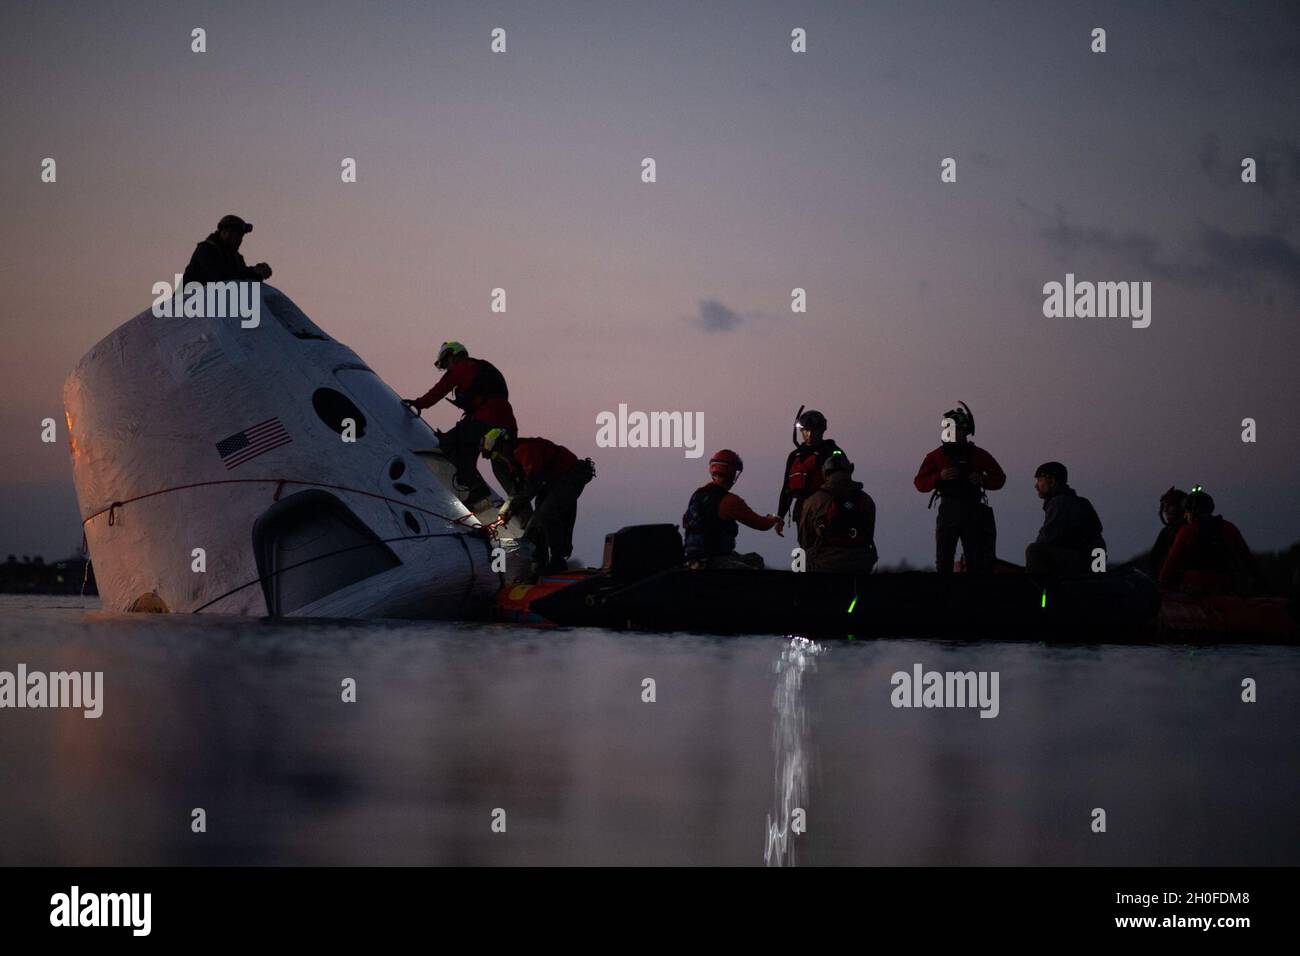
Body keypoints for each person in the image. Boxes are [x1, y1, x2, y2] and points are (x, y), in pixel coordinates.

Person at [404, 341, 518, 511]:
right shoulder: (484, 367)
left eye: (445, 363)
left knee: (449, 443)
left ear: (452, 355)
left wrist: (419, 404)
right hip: (507, 424)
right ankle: (523, 514)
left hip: (485, 419)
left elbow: (439, 389)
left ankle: (476, 489)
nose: (447, 368)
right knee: (504, 470)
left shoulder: (462, 367)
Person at [482, 430, 594, 582]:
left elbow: (532, 484)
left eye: (496, 454)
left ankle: (557, 561)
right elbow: (519, 489)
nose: (498, 458)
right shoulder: (514, 460)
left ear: (504, 444)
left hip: (571, 476)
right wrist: (506, 510)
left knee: (546, 513)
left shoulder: (525, 450)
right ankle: (540, 565)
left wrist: (512, 508)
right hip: (553, 482)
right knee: (536, 523)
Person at [913, 402, 1005, 573]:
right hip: (949, 508)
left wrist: (982, 480)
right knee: (944, 559)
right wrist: (939, 477)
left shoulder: (979, 455)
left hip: (973, 509)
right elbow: (919, 482)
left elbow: (1000, 478)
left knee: (975, 559)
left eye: (957, 430)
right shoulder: (936, 456)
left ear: (965, 431)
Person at [684, 450, 783, 569]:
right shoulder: (730, 501)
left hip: (693, 559)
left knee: (755, 559)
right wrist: (774, 519)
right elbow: (761, 524)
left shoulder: (697, 495)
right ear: (730, 472)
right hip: (713, 560)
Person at [1159, 488, 1259, 593]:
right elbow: (1247, 559)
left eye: (1186, 512)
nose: (1185, 516)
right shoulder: (1228, 527)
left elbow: (1170, 563)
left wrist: (1161, 584)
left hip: (1194, 588)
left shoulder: (1187, 531)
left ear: (1191, 512)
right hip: (1226, 587)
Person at [798, 451, 877, 573]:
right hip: (862, 564)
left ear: (824, 473)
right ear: (850, 470)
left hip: (825, 564)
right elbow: (869, 534)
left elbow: (805, 540)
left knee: (800, 559)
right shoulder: (866, 500)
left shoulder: (813, 501)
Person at [1024, 461, 1105, 575]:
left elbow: (1047, 537)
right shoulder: (1081, 501)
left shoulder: (1059, 502)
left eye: (1039, 480)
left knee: (1034, 551)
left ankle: (1038, 590)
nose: (1036, 486)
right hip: (1096, 561)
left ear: (1052, 481)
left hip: (1087, 561)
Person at [777, 410, 843, 525]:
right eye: (806, 430)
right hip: (802, 512)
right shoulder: (795, 456)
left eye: (815, 430)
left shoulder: (831, 452)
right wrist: (780, 517)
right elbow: (786, 489)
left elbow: (843, 483)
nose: (810, 434)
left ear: (822, 430)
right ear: (801, 431)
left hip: (826, 511)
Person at [182, 215, 272, 285]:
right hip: (186, 303)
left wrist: (257, 273)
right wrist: (251, 272)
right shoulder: (205, 250)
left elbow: (242, 276)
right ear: (224, 233)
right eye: (236, 235)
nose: (239, 239)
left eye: (240, 236)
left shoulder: (237, 258)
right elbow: (222, 278)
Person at [1148, 486, 1187, 576]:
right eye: (1164, 506)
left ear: (1181, 506)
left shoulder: (1173, 531)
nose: (1165, 510)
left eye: (1169, 505)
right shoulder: (1168, 531)